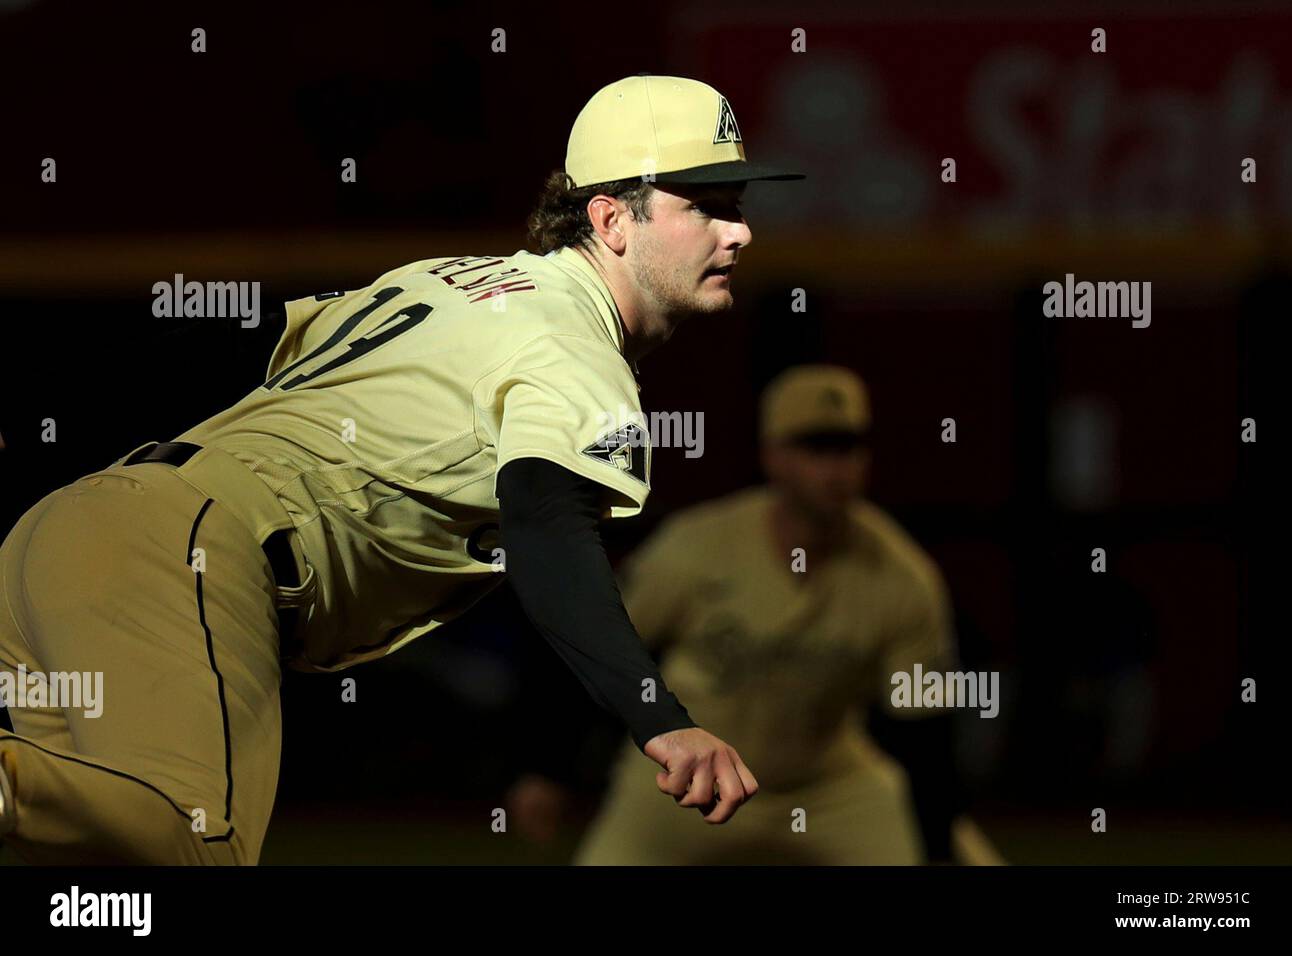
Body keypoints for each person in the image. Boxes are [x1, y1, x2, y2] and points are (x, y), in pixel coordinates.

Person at [0, 75, 803, 864]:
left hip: (66, 532)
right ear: (609, 220)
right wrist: (659, 717)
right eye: (707, 205)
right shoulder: (575, 353)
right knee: (191, 839)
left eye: (737, 205)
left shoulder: (450, 280)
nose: (739, 233)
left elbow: (223, 345)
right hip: (194, 554)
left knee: (86, 863)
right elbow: (549, 530)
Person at [542, 365, 1004, 864]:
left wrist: (934, 845)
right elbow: (597, 649)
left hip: (828, 785)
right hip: (689, 776)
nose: (836, 467)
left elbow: (925, 734)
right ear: (773, 456)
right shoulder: (698, 546)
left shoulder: (902, 576)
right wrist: (546, 769)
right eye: (815, 447)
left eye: (848, 448)